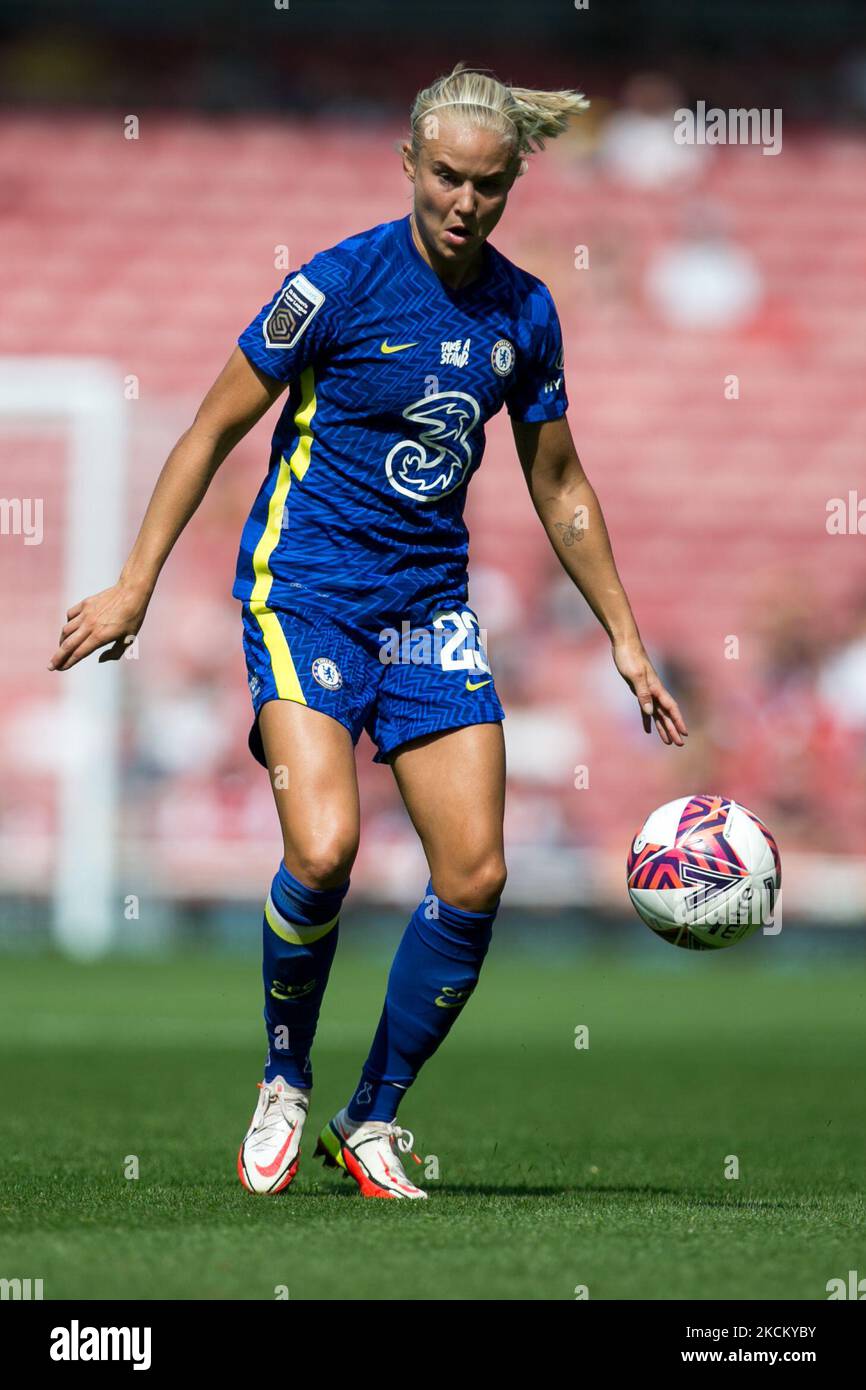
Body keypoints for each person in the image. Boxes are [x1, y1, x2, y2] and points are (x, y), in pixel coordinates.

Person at [48, 63, 688, 1200]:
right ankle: (283, 1080)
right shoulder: (334, 287)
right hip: (304, 591)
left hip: (428, 610)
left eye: (488, 186)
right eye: (446, 176)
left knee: (477, 871)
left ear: (510, 187)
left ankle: (370, 1116)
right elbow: (207, 431)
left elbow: (560, 484)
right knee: (324, 849)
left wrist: (624, 641)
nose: (464, 202)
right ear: (408, 164)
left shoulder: (524, 311)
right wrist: (135, 584)